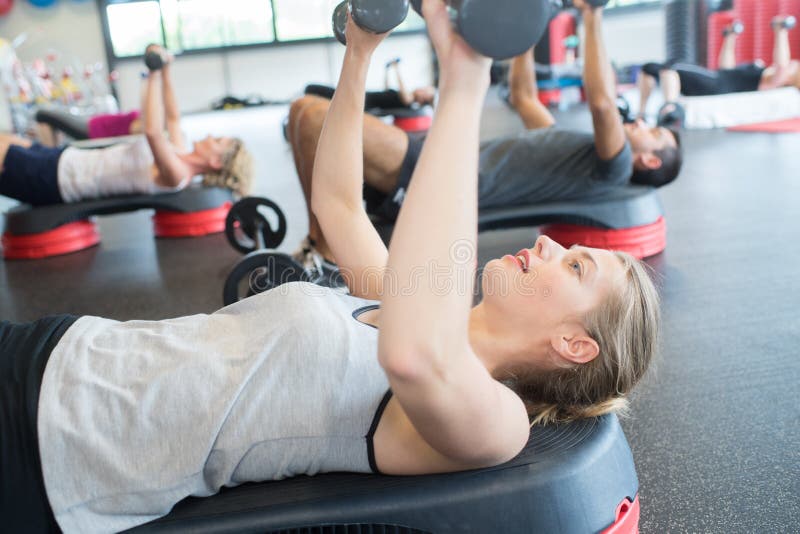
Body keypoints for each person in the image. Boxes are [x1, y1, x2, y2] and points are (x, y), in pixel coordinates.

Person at [0, 2, 661, 532]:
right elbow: (339, 205)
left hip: (55, 450)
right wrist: (360, 51)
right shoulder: (410, 302)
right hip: (64, 350)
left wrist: (466, 77)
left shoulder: (495, 423)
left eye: (574, 266)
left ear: (575, 344)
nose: (547, 245)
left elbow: (418, 359)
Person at [286, 2, 682, 271]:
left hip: (435, 177)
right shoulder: (570, 150)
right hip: (432, 158)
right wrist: (530, 20)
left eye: (654, 134)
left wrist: (591, 14)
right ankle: (319, 244)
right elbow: (524, 96)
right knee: (302, 110)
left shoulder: (613, 168)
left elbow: (601, 103)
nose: (643, 125)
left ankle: (325, 251)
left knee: (312, 116)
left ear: (648, 160)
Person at [0, 45, 254, 206]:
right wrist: (165, 70)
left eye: (217, 141)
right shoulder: (180, 149)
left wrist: (152, 74)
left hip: (56, 181)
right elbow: (173, 117)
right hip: (63, 159)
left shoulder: (178, 175)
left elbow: (153, 132)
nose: (211, 135)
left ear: (216, 163)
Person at [638, 15, 799, 120]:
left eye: (794, 66)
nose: (792, 62)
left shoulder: (774, 82)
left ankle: (670, 107)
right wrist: (730, 38)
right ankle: (641, 113)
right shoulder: (763, 70)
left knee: (672, 66)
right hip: (715, 78)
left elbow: (781, 66)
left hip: (715, 84)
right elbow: (726, 69)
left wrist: (781, 32)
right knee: (649, 68)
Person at [304, 57, 436, 110]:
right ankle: (310, 91)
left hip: (365, 102)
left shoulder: (410, 102)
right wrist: (387, 71)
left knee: (335, 94)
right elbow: (387, 90)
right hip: (365, 96)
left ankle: (310, 90)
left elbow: (404, 95)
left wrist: (397, 69)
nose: (422, 88)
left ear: (423, 98)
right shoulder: (406, 98)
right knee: (336, 93)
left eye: (425, 91)